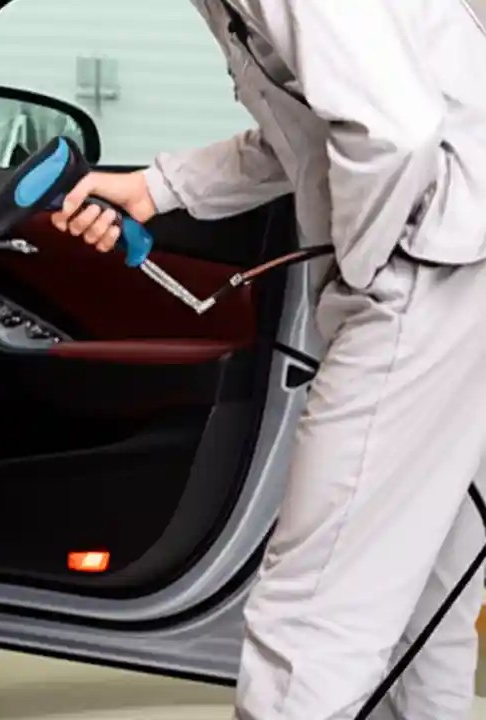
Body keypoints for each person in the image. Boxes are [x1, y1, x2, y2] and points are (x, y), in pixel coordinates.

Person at [49, 1, 486, 718]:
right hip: (464, 264)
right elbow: (317, 122)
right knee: (426, 603)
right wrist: (158, 188)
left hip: (432, 269)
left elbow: (394, 129)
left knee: (307, 629)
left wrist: (367, 271)